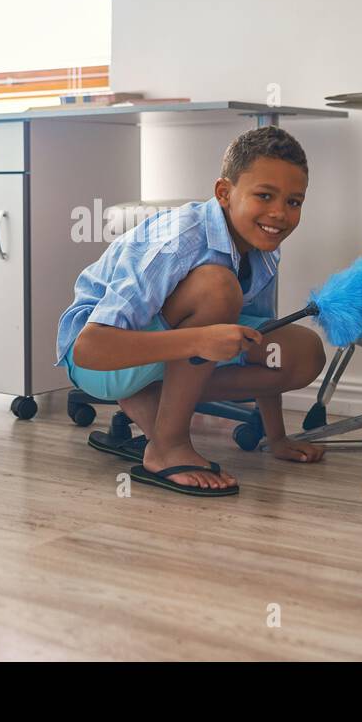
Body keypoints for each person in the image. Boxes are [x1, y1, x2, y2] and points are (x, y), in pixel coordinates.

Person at [57, 126, 327, 497]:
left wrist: (276, 438)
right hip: (100, 361)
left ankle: (156, 404)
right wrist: (199, 340)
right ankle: (166, 448)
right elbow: (91, 347)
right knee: (217, 289)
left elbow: (263, 338)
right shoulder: (180, 239)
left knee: (302, 353)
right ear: (224, 193)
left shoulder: (265, 249)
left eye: (294, 202)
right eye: (264, 196)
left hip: (159, 353)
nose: (279, 213)